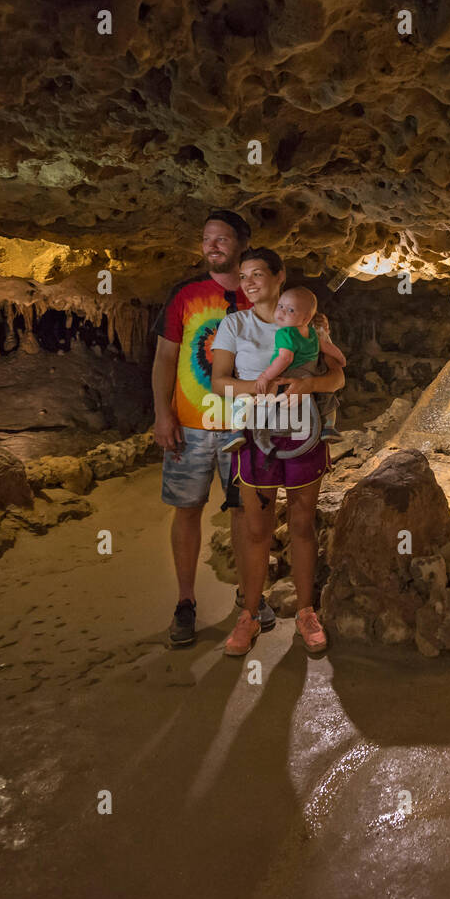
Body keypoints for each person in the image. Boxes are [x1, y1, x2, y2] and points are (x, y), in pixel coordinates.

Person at [210, 249, 345, 656]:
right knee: (257, 528)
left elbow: (337, 375)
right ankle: (249, 615)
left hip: (304, 431)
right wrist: (262, 388)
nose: (248, 282)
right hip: (257, 434)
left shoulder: (310, 324)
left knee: (303, 524)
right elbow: (219, 383)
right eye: (243, 275)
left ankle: (306, 612)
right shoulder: (234, 324)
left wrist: (307, 386)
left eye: (257, 274)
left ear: (279, 275)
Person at [150, 209, 275, 646]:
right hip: (190, 426)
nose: (212, 246)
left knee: (245, 511)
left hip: (245, 427)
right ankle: (186, 603)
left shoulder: (257, 296)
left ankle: (250, 596)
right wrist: (162, 414)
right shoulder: (186, 295)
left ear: (241, 244)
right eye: (207, 239)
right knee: (187, 508)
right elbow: (166, 357)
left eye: (222, 239)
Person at [221, 284, 346, 454]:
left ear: (305, 317)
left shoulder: (285, 333)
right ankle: (329, 426)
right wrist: (342, 359)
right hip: (308, 376)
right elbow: (327, 348)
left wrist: (265, 376)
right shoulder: (312, 333)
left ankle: (236, 431)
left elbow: (285, 358)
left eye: (290, 310)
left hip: (285, 376)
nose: (282, 312)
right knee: (327, 398)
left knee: (243, 400)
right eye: (280, 307)